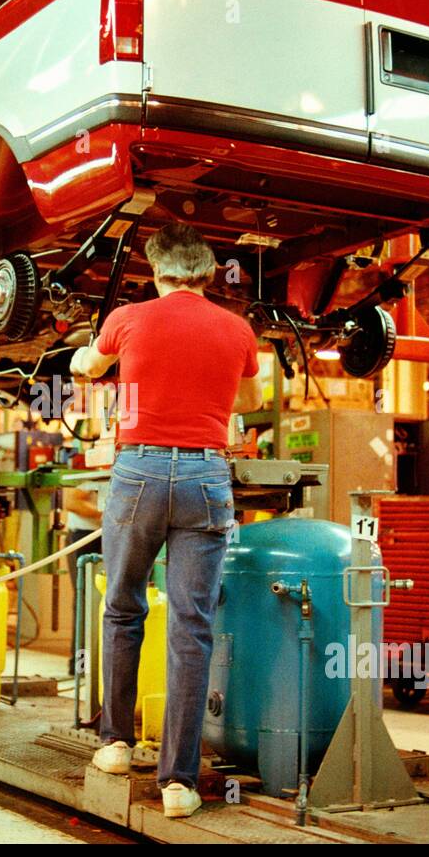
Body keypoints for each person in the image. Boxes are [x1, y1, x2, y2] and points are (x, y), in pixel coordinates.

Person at [69, 222, 262, 818]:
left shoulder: (127, 318)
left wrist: (83, 352)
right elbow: (250, 401)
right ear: (206, 275)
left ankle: (117, 745)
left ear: (156, 271)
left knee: (124, 607)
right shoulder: (237, 328)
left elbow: (87, 368)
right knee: (191, 624)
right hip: (207, 477)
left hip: (139, 473)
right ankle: (179, 782)